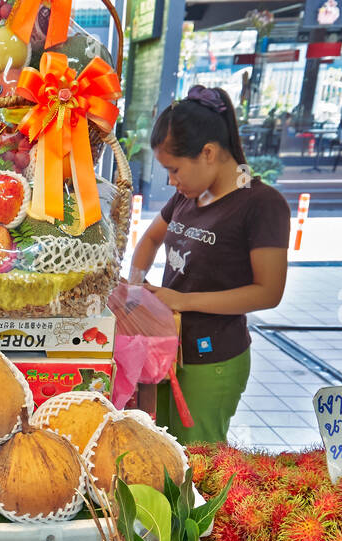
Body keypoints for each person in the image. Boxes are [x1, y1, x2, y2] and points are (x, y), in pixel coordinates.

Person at [127, 84, 290, 445]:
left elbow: (268, 292)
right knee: (162, 449)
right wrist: (136, 288)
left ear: (209, 152)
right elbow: (150, 239)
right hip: (169, 350)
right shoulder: (189, 196)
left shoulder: (261, 204)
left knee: (197, 465)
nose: (171, 180)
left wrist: (182, 300)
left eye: (174, 169)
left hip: (211, 358)